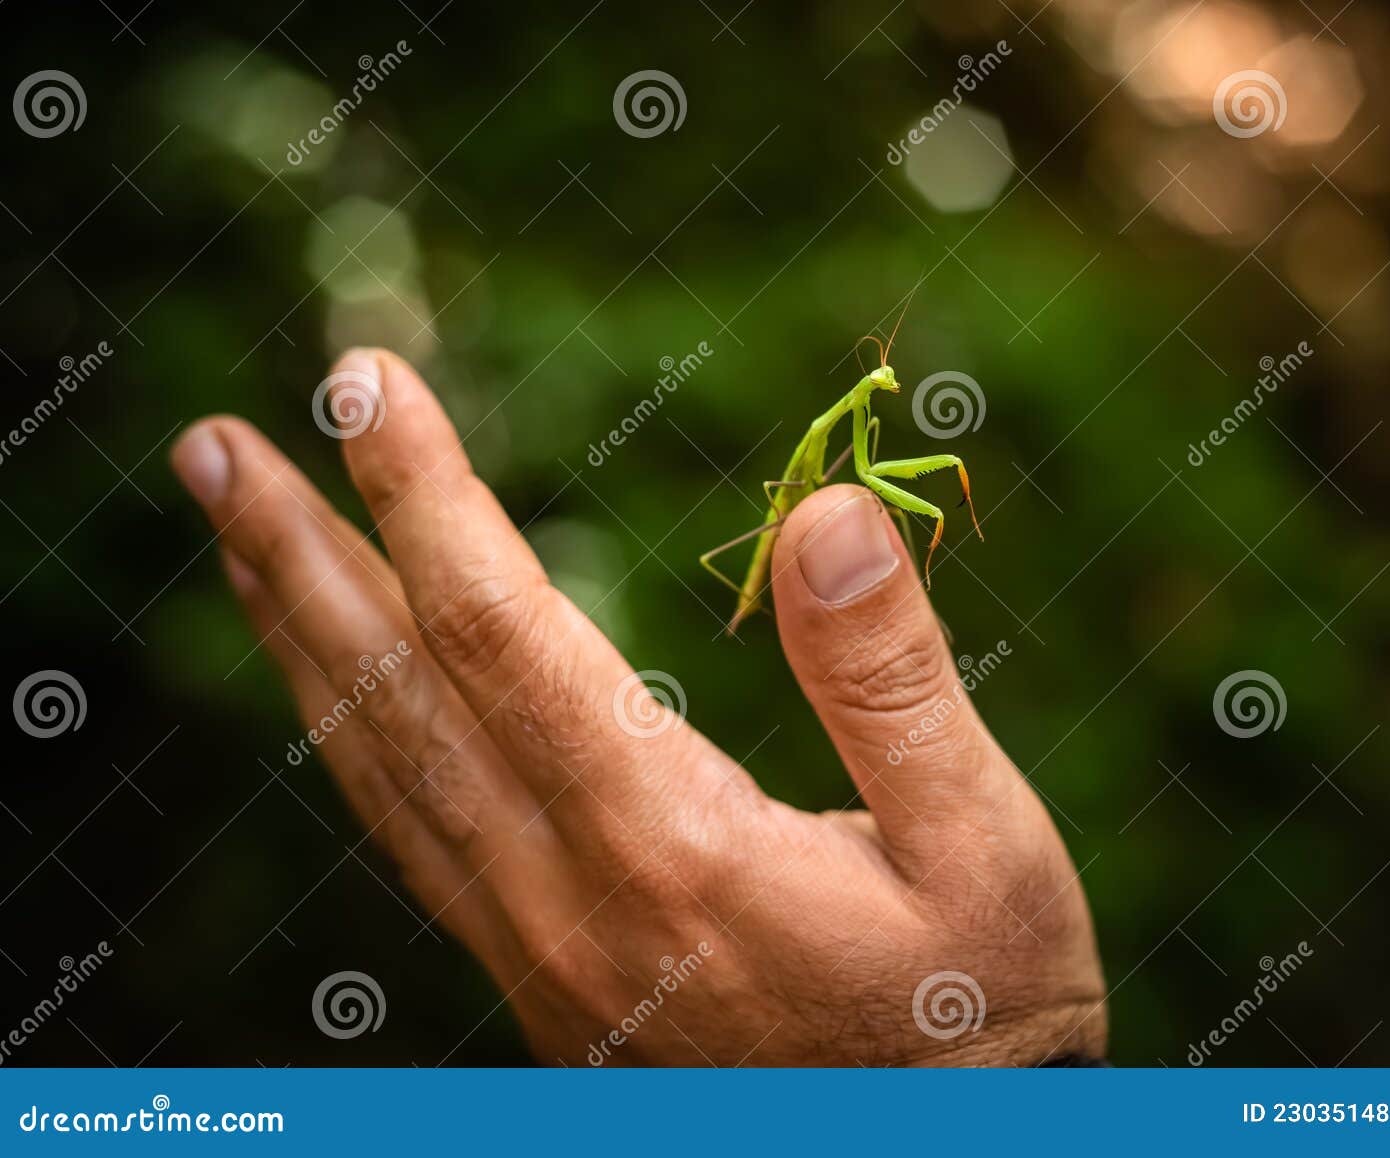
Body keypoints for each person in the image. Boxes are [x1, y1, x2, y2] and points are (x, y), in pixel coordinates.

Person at [169, 348, 1108, 1066]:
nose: (889, 390)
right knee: (851, 517)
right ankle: (757, 592)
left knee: (900, 506)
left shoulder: (855, 426)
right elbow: (841, 481)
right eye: (885, 381)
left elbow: (855, 476)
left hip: (808, 518)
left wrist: (1022, 1051)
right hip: (778, 533)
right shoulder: (839, 437)